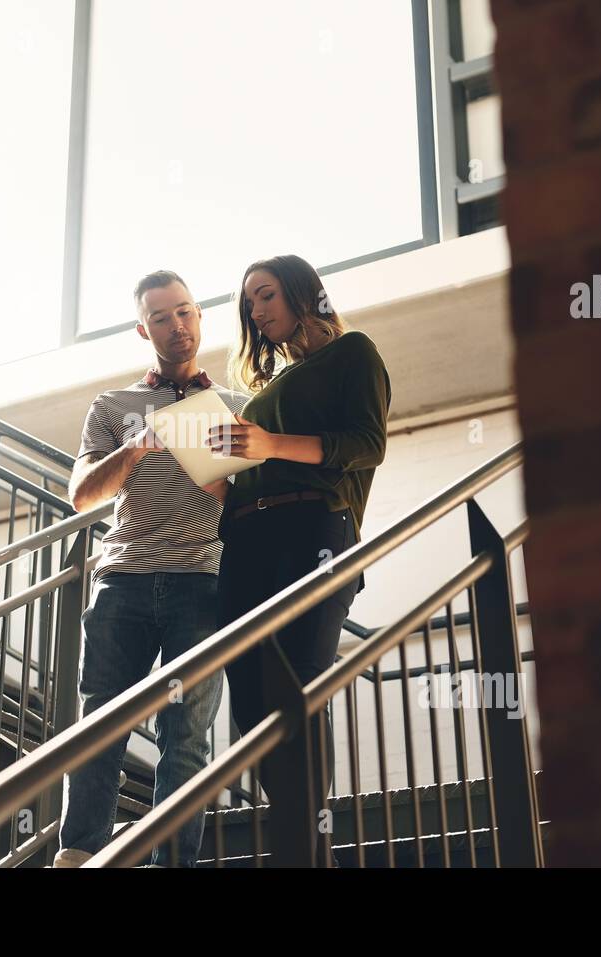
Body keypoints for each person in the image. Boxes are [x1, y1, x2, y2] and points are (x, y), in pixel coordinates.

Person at [54, 270, 246, 868]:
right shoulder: (112, 406)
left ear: (199, 316)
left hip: (203, 585)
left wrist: (205, 456)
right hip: (123, 582)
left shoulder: (235, 407)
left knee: (186, 738)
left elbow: (244, 507)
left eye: (185, 312)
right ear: (144, 328)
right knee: (101, 725)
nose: (177, 325)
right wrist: (134, 446)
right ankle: (79, 854)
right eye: (161, 317)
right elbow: (82, 494)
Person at [205, 253, 391, 837]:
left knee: (298, 688)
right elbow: (254, 456)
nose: (255, 311)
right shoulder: (267, 385)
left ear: (300, 291)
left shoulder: (352, 351)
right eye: (249, 303)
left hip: (313, 532)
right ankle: (301, 838)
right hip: (244, 540)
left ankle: (309, 843)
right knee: (250, 703)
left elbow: (365, 443)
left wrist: (269, 443)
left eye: (265, 295)